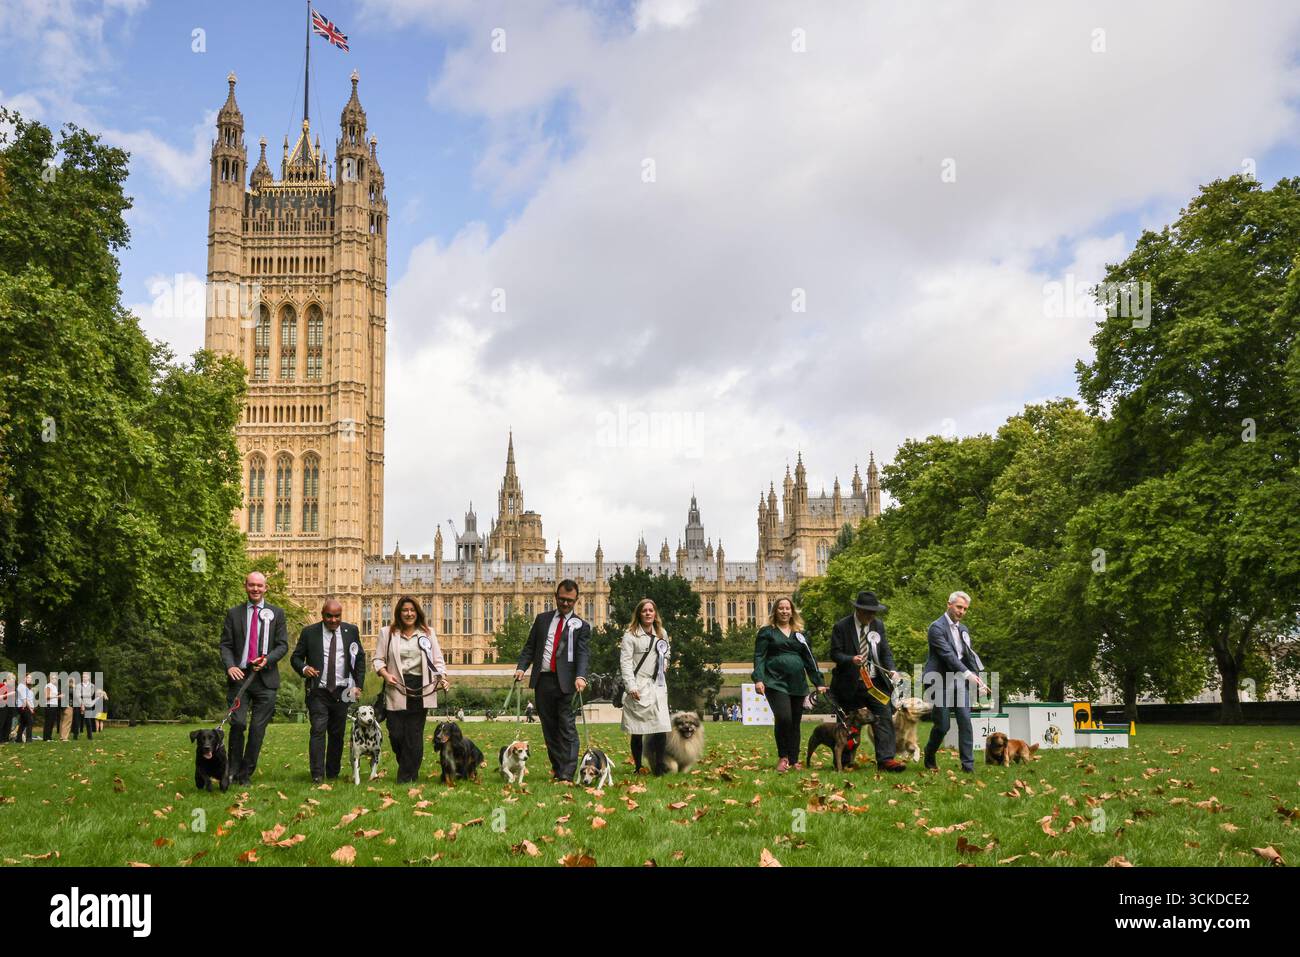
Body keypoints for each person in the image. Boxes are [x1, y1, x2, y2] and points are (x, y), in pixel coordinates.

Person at [514, 579, 590, 782]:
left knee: (567, 727)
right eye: (562, 599)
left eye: (570, 601)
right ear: (555, 597)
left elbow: (583, 654)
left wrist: (581, 676)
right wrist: (522, 667)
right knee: (549, 728)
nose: (565, 604)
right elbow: (530, 647)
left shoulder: (581, 626)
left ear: (576, 600)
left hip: (566, 682)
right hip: (543, 680)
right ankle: (558, 769)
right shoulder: (542, 619)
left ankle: (568, 771)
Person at [218, 571, 289, 784]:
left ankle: (244, 773)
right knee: (238, 724)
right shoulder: (234, 613)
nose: (255, 589)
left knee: (258, 729)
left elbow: (283, 645)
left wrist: (267, 660)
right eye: (251, 585)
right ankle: (231, 768)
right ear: (245, 586)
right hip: (240, 676)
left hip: (266, 680)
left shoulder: (277, 613)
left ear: (266, 588)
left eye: (259, 585)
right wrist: (230, 666)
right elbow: (226, 645)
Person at [829, 590, 907, 772]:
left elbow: (885, 651)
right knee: (848, 724)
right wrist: (851, 659)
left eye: (874, 613)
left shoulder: (878, 625)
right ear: (859, 610)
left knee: (884, 717)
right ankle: (846, 760)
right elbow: (834, 653)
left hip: (874, 684)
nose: (871, 616)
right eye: (868, 612)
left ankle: (886, 760)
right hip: (849, 684)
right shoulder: (841, 626)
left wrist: (892, 670)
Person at [373, 595, 447, 784]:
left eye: (412, 610)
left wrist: (442, 677)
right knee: (396, 733)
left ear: (418, 612)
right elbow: (378, 659)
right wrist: (385, 674)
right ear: (399, 612)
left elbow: (437, 660)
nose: (409, 613)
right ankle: (409, 766)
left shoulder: (428, 633)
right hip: (396, 685)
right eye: (405, 610)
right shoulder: (387, 633)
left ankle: (406, 777)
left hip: (421, 687)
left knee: (414, 734)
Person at [291, 599, 365, 783]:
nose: (333, 620)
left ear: (341, 615)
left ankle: (332, 773)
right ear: (322, 614)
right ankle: (317, 774)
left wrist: (358, 685)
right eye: (329, 616)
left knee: (337, 733)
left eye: (337, 616)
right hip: (319, 690)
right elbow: (296, 657)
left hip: (343, 690)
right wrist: (304, 668)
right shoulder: (309, 632)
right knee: (318, 730)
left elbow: (360, 660)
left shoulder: (351, 631)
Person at [752, 597, 827, 772]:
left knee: (795, 722)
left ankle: (794, 760)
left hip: (797, 683)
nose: (785, 611)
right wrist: (759, 679)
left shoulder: (800, 634)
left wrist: (818, 682)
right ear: (775, 611)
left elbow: (810, 658)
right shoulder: (767, 632)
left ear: (792, 611)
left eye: (788, 608)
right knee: (784, 718)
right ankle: (783, 757)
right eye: (781, 608)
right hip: (775, 681)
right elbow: (759, 656)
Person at [923, 591, 990, 773]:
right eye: (959, 607)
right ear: (949, 604)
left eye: (965, 609)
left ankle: (968, 766)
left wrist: (979, 681)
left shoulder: (963, 629)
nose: (962, 612)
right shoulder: (936, 628)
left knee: (965, 721)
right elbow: (948, 656)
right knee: (943, 725)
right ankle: (929, 753)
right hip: (940, 680)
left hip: (959, 680)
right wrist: (969, 675)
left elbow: (967, 656)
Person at [620, 598, 670, 775]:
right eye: (644, 610)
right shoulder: (630, 635)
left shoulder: (661, 633)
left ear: (655, 613)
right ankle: (638, 766)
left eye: (651, 610)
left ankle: (659, 766)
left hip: (657, 684)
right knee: (638, 729)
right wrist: (631, 686)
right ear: (639, 614)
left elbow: (666, 652)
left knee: (661, 727)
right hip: (638, 684)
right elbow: (625, 662)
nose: (648, 613)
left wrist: (664, 664)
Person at [72, 673, 97, 741]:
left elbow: (90, 695)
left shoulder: (92, 686)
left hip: (88, 705)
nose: (84, 678)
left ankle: (90, 736)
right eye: (83, 677)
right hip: (78, 705)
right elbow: (77, 696)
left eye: (85, 677)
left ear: (88, 678)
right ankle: (75, 736)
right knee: (77, 721)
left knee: (88, 721)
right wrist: (82, 704)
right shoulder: (78, 685)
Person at [14, 675, 36, 743]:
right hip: (23, 706)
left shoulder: (26, 687)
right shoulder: (21, 686)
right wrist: (30, 709)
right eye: (28, 677)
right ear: (24, 678)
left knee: (23, 723)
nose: (30, 679)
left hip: (25, 706)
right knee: (30, 721)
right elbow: (24, 700)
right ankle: (29, 739)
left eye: (31, 678)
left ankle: (18, 739)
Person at [42, 673, 62, 742]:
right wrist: (57, 696)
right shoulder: (48, 686)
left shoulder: (54, 687)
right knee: (48, 722)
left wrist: (60, 697)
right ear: (50, 679)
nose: (55, 679)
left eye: (56, 678)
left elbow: (54, 697)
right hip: (49, 705)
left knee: (52, 722)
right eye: (53, 678)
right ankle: (46, 737)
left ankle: (49, 737)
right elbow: (47, 697)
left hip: (54, 705)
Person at [0, 673, 13, 744]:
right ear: (7, 679)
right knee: (2, 722)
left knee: (8, 722)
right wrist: (9, 694)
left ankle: (6, 739)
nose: (12, 681)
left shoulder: (11, 687)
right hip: (2, 706)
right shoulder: (1, 685)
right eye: (11, 679)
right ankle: (1, 739)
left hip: (10, 706)